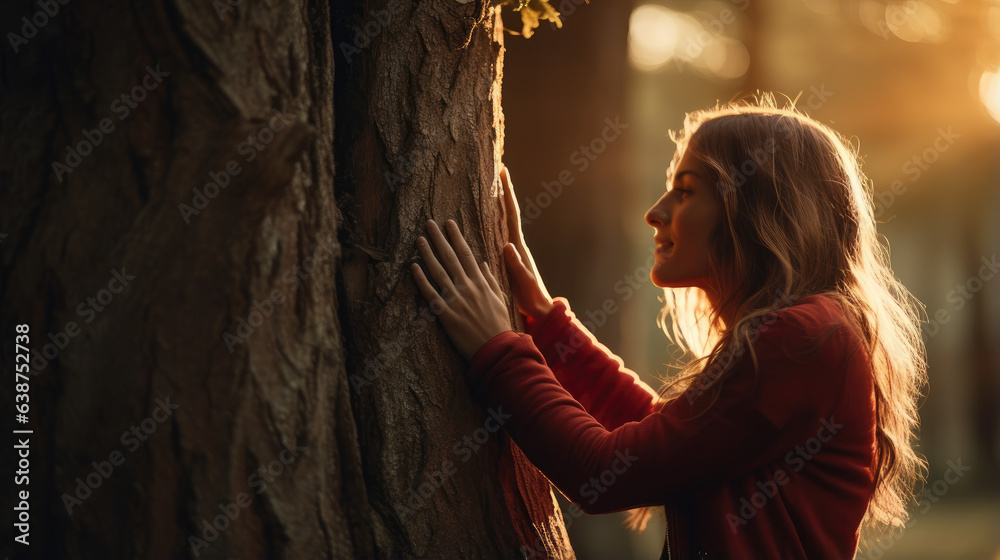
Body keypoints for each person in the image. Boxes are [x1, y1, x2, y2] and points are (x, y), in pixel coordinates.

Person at [408, 96, 928, 559]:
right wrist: (546, 326)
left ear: (758, 208)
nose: (655, 214)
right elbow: (660, 444)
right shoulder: (815, 332)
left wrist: (498, 350)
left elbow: (601, 473)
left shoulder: (806, 337)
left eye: (686, 191)